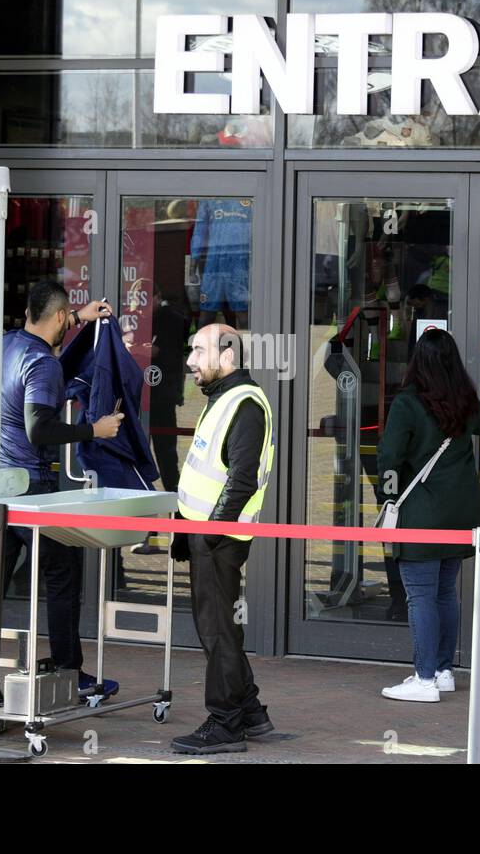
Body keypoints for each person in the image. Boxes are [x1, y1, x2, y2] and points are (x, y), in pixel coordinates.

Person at [0, 280, 122, 696]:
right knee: (64, 573)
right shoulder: (43, 363)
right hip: (32, 484)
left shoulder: (8, 343)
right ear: (55, 317)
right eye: (65, 318)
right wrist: (95, 429)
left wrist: (79, 318)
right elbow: (40, 429)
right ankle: (71, 673)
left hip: (0, 484)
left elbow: (54, 324)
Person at [172, 323, 275, 754]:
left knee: (216, 633)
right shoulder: (224, 398)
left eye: (199, 350)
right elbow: (207, 470)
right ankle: (249, 711)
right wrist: (185, 523)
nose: (191, 360)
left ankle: (225, 724)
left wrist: (209, 533)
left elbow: (241, 481)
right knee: (222, 631)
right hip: (207, 534)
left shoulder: (243, 404)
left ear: (227, 355)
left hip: (219, 539)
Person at [375, 329, 480, 703]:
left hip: (422, 514)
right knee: (444, 594)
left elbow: (390, 457)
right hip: (460, 513)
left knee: (420, 595)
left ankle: (424, 678)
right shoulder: (465, 400)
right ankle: (443, 671)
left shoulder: (408, 403)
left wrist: (389, 496)